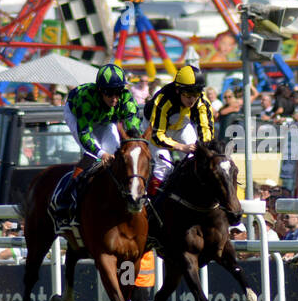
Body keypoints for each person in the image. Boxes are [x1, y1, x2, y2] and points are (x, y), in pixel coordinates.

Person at [56, 63, 142, 226]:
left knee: (116, 150)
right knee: (92, 156)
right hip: (77, 114)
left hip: (105, 118)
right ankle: (65, 198)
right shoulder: (86, 98)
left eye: (118, 93)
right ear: (100, 90)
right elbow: (85, 135)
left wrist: (133, 142)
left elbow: (133, 127)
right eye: (109, 93)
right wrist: (101, 153)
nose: (114, 98)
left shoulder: (126, 98)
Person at [146, 65, 214, 195]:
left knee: (196, 160)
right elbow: (157, 135)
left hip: (181, 127)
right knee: (165, 166)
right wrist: (181, 147)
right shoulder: (164, 100)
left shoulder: (202, 102)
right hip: (154, 130)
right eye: (188, 94)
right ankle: (150, 203)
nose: (192, 100)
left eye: (196, 94)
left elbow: (206, 131)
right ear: (178, 90)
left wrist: (204, 148)